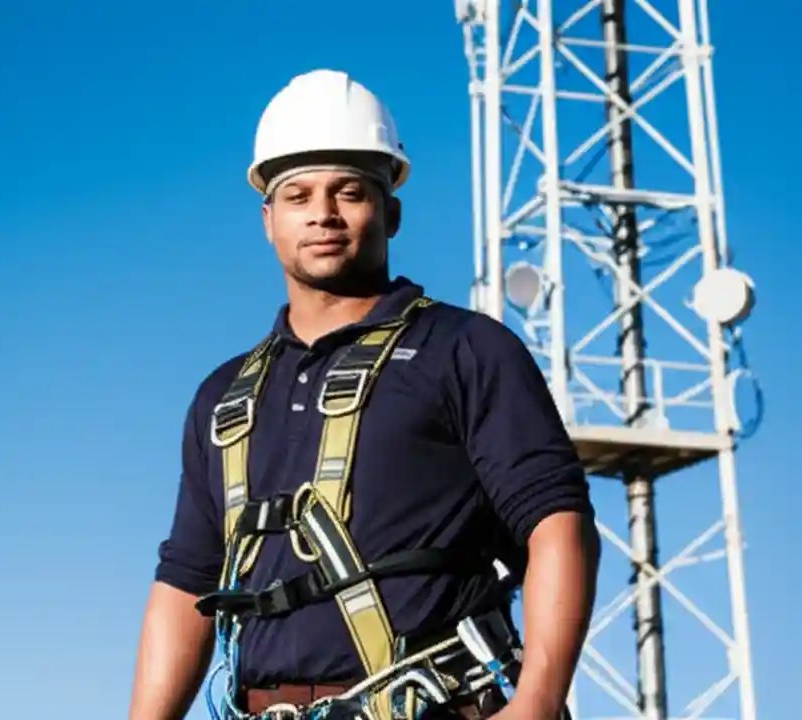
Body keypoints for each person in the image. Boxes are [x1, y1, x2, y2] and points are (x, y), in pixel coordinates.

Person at [127, 69, 601, 720]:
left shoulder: (463, 349)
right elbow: (185, 582)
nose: (323, 213)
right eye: (298, 195)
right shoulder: (224, 398)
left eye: (349, 191)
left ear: (391, 211)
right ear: (269, 219)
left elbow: (557, 523)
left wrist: (539, 702)